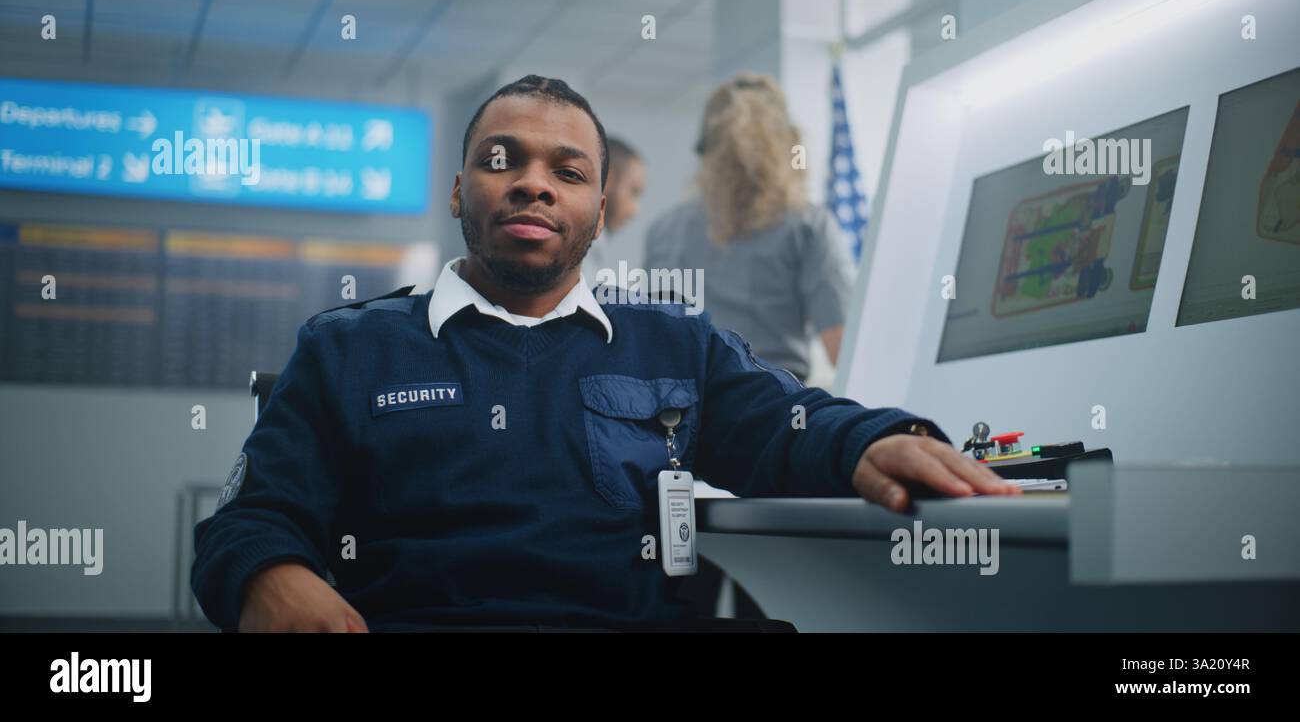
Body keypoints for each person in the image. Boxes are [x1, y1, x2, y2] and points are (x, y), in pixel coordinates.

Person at [191, 75, 1019, 633]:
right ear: (457, 191)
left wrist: (871, 439)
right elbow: (248, 521)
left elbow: (789, 422)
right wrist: (269, 576)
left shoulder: (673, 343)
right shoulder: (348, 348)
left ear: (597, 213)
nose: (533, 182)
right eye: (501, 159)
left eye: (569, 170)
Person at [644, 73, 851, 383]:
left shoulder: (663, 231)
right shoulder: (809, 225)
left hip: (683, 411)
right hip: (775, 406)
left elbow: (650, 342)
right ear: (788, 143)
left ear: (706, 151)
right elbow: (842, 350)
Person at [581, 137, 644, 282]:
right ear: (607, 177)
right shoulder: (576, 250)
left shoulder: (593, 250)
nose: (635, 211)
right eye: (633, 192)